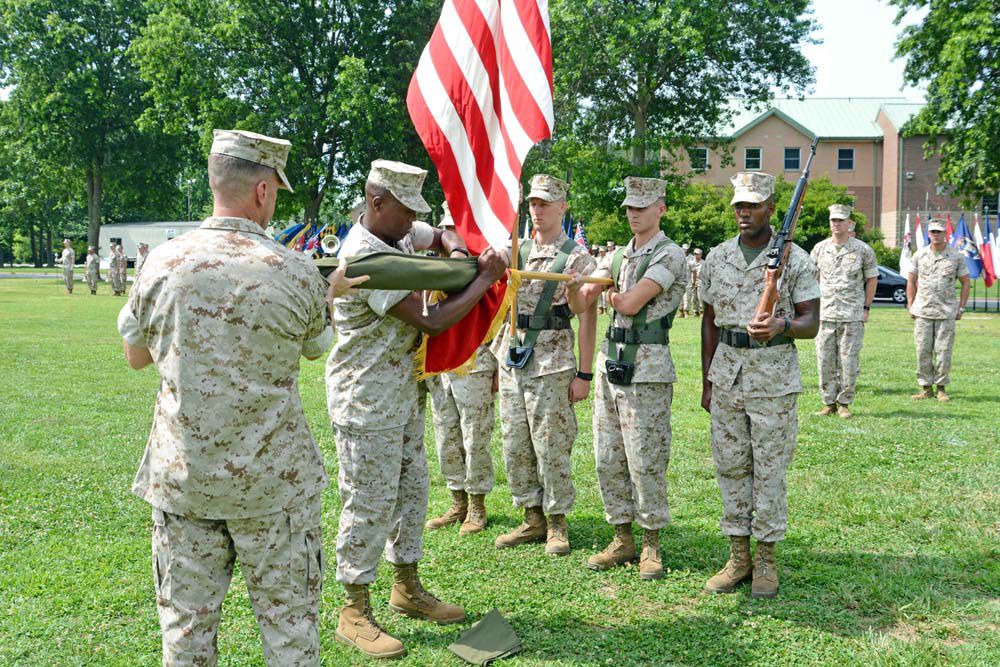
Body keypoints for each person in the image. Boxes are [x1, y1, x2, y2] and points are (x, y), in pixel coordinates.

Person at [118, 129, 366, 666]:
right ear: (262, 191)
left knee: (186, 636)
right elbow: (316, 348)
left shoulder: (159, 263)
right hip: (272, 485)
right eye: (275, 189)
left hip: (185, 480)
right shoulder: (295, 270)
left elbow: (136, 356)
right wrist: (329, 293)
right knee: (290, 632)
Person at [326, 159, 507, 659]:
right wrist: (482, 279)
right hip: (366, 398)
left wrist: (455, 249)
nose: (412, 222)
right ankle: (353, 609)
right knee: (368, 501)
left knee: (410, 493)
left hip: (403, 392)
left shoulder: (398, 231)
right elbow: (431, 321)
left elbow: (441, 233)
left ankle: (406, 587)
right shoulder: (368, 258)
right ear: (376, 201)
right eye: (405, 211)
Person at [699, 171, 819, 599]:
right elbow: (709, 323)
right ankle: (738, 556)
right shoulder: (716, 258)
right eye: (738, 205)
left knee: (769, 470)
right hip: (727, 373)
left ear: (772, 207)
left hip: (773, 376)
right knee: (731, 466)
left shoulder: (796, 259)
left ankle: (766, 558)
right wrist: (708, 381)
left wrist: (783, 323)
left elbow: (812, 322)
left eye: (753, 205)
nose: (744, 212)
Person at [567, 177, 686, 580]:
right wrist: (575, 289)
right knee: (608, 455)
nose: (634, 213)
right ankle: (622, 537)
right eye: (629, 207)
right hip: (610, 362)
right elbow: (582, 301)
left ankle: (651, 542)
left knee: (646, 458)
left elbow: (632, 303)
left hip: (649, 367)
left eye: (642, 206)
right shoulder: (618, 256)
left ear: (660, 209)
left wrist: (608, 291)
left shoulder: (669, 255)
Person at [492, 173, 597, 557]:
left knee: (551, 443)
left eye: (545, 203)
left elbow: (585, 313)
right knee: (514, 442)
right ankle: (531, 516)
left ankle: (557, 522)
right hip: (512, 355)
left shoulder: (576, 256)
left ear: (562, 207)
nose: (537, 210)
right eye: (533, 203)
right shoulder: (515, 249)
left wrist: (584, 374)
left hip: (552, 359)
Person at [425, 201, 501, 536]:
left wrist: (497, 365)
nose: (451, 235)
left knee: (475, 435)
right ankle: (456, 501)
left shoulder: (481, 269)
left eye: (457, 229)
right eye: (448, 229)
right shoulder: (435, 266)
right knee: (446, 433)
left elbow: (496, 319)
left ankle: (477, 504)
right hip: (440, 363)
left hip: (474, 361)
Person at [810, 204, 878, 418]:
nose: (837, 224)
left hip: (852, 314)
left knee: (848, 360)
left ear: (850, 223)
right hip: (825, 313)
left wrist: (866, 307)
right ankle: (828, 402)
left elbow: (872, 279)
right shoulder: (820, 249)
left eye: (841, 220)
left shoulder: (862, 250)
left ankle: (844, 403)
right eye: (834, 220)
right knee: (824, 359)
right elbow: (811, 279)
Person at [906, 218, 970, 401]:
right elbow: (911, 280)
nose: (936, 235)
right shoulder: (920, 255)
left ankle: (941, 387)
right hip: (923, 310)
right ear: (928, 234)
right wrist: (911, 305)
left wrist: (962, 307)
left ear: (946, 234)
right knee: (922, 350)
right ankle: (926, 387)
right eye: (933, 232)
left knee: (943, 351)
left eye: (939, 232)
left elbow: (966, 282)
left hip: (946, 311)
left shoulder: (956, 256)